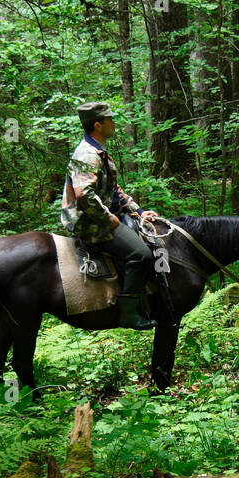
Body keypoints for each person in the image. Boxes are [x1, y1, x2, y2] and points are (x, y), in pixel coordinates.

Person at [60, 101, 158, 330]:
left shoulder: (98, 150)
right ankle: (128, 313)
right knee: (141, 254)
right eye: (109, 120)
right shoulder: (88, 155)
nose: (113, 123)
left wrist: (139, 212)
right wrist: (108, 219)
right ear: (98, 125)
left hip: (103, 213)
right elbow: (84, 194)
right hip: (90, 221)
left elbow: (113, 190)